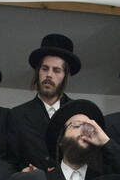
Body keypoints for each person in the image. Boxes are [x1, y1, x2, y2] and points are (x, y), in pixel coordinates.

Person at [7, 34, 79, 170]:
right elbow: (10, 163)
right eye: (45, 69)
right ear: (38, 71)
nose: (49, 75)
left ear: (66, 75)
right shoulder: (17, 115)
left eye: (56, 70)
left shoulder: (78, 113)